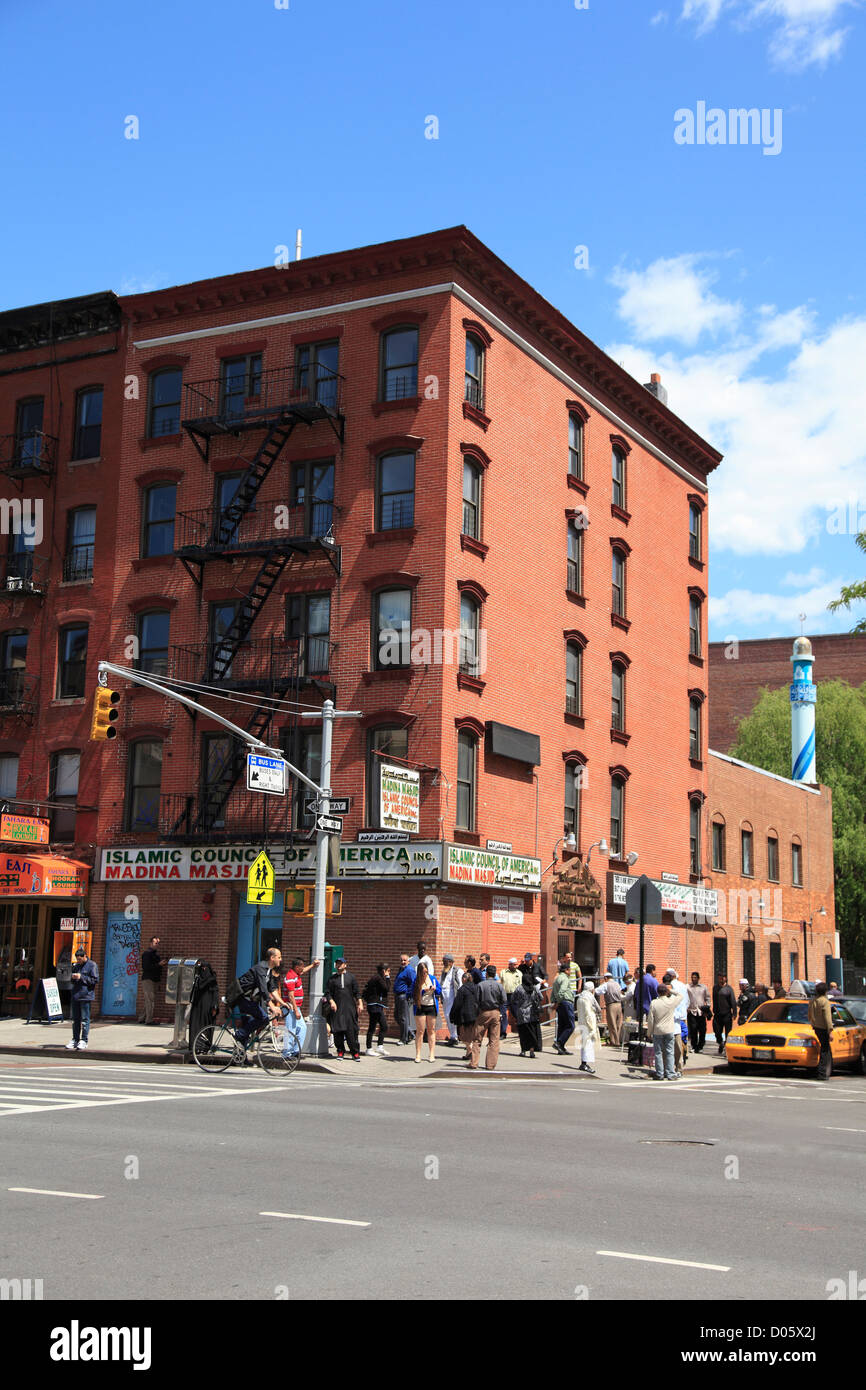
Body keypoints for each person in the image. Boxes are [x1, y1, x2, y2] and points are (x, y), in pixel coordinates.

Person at [235, 948, 285, 1051]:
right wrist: (272, 1007)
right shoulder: (261, 968)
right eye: (279, 957)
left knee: (247, 1026)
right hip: (243, 997)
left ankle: (241, 1057)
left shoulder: (269, 971)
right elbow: (263, 990)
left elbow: (272, 989)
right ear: (272, 958)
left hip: (249, 999)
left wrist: (283, 1003)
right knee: (263, 1018)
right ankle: (239, 1034)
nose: (281, 959)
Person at [326, 958, 363, 1060]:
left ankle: (355, 1052)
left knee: (351, 1031)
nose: (339, 965)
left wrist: (360, 1003)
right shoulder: (332, 979)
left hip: (349, 1009)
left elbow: (357, 992)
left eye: (341, 964)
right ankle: (340, 1051)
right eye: (337, 963)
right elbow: (328, 993)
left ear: (345, 965)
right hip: (337, 1009)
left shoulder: (351, 978)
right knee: (338, 1031)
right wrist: (332, 1001)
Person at [470, 965, 507, 1070]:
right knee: (494, 1040)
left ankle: (474, 1062)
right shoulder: (499, 986)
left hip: (483, 1012)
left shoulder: (481, 985)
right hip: (495, 1012)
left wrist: (476, 1012)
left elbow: (476, 1001)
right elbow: (504, 1000)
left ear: (486, 974)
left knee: (477, 1038)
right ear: (495, 974)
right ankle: (490, 1065)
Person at [65, 947, 99, 1052]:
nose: (78, 961)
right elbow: (71, 980)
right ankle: (75, 1039)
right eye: (77, 959)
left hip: (86, 995)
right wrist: (73, 977)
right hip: (76, 994)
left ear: (85, 956)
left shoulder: (92, 965)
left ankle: (84, 1040)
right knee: (76, 1020)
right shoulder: (76, 966)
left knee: (85, 1019)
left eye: (80, 959)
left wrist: (82, 977)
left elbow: (94, 980)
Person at [646, 983, 679, 1081]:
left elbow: (651, 1019)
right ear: (666, 992)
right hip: (669, 1030)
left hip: (658, 1030)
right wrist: (671, 990)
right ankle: (670, 1073)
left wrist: (649, 1032)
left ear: (658, 992)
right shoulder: (671, 1001)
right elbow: (680, 996)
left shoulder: (654, 1003)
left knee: (658, 1053)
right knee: (670, 1052)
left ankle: (659, 1073)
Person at [413, 962, 442, 1063]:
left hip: (431, 1006)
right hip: (420, 1006)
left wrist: (435, 989)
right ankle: (418, 1054)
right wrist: (423, 991)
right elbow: (413, 993)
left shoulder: (432, 978)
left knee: (431, 1030)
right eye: (423, 972)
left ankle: (432, 1054)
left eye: (426, 972)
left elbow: (439, 990)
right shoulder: (416, 980)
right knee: (420, 1031)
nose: (425, 974)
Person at [449, 970, 481, 1059]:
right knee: (472, 1035)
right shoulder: (477, 988)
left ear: (464, 979)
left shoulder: (462, 989)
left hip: (464, 1016)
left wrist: (452, 1015)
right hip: (475, 1015)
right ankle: (468, 1053)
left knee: (463, 1036)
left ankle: (470, 1050)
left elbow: (457, 1004)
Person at [510, 977, 542, 1057]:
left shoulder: (519, 988)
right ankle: (532, 1051)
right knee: (532, 1033)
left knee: (523, 1033)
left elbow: (513, 999)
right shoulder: (534, 988)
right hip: (532, 1014)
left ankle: (523, 1051)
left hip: (522, 1014)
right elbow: (541, 997)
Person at [362, 964, 391, 1055]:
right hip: (374, 1005)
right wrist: (387, 977)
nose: (388, 972)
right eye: (388, 971)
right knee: (376, 1026)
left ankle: (379, 1046)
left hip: (376, 1005)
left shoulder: (376, 978)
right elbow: (386, 988)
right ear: (384, 970)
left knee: (380, 1026)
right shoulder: (378, 978)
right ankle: (369, 1048)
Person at [664, 970, 689, 1073]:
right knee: (669, 1049)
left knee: (677, 1048)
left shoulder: (676, 998)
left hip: (676, 1025)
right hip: (669, 1026)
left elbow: (682, 1002)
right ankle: (669, 1068)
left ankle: (678, 1068)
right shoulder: (660, 999)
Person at [808, 982, 834, 1080]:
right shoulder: (824, 1001)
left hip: (816, 1027)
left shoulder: (813, 1001)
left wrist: (813, 1023)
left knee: (825, 1049)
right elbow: (828, 1017)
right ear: (825, 991)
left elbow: (809, 1015)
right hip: (823, 1028)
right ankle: (822, 1073)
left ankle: (823, 1070)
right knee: (825, 1050)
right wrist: (830, 1030)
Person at [550, 961, 576, 1055]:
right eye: (570, 970)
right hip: (565, 1002)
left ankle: (561, 1047)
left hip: (560, 1004)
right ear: (566, 970)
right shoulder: (565, 979)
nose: (570, 972)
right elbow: (561, 992)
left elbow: (553, 992)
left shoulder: (557, 978)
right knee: (570, 1025)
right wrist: (558, 1001)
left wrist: (554, 1001)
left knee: (562, 1025)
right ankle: (559, 1043)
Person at [575, 980, 601, 1075]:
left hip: (581, 1022)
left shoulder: (580, 996)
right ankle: (585, 1064)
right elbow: (597, 1007)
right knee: (588, 1044)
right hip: (589, 1023)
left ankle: (583, 1062)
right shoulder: (589, 997)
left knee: (584, 1042)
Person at [439, 955, 464, 1046]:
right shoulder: (444, 971)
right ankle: (453, 1036)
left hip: (453, 998)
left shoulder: (458, 971)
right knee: (446, 1016)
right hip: (445, 999)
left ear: (450, 962)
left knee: (450, 1016)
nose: (443, 963)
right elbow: (440, 983)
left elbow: (461, 985)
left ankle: (454, 1037)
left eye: (445, 962)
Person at [138, 936, 162, 1025]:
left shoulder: (155, 954)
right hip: (148, 979)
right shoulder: (147, 954)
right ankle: (149, 1020)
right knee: (150, 1001)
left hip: (154, 979)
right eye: (156, 943)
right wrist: (158, 964)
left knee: (148, 1000)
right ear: (151, 943)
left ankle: (142, 1018)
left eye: (158, 943)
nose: (157, 945)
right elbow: (146, 967)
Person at [392, 955, 416, 1044]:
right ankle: (410, 1033)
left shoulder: (409, 970)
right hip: (397, 995)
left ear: (408, 961)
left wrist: (408, 994)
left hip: (404, 996)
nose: (403, 962)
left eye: (405, 960)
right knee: (397, 1016)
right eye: (401, 960)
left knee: (403, 1018)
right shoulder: (401, 969)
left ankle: (404, 1039)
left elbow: (414, 983)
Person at [712, 973, 737, 1053]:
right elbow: (714, 999)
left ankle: (726, 1047)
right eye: (719, 978)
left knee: (728, 1032)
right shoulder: (715, 988)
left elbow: (733, 1001)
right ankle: (720, 1042)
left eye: (723, 978)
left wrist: (734, 1013)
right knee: (717, 1031)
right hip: (717, 1014)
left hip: (727, 1014)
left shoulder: (729, 989)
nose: (721, 980)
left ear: (725, 979)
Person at [686, 971, 711, 1053]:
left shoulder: (703, 987)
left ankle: (700, 1046)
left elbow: (708, 998)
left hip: (701, 1012)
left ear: (698, 978)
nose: (693, 979)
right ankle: (694, 1046)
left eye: (695, 978)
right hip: (692, 1011)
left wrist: (707, 1007)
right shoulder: (688, 987)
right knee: (693, 1029)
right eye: (692, 978)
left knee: (702, 1029)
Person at [601, 973, 624, 1047]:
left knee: (612, 1023)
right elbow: (621, 993)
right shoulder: (617, 984)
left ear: (605, 978)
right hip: (619, 1004)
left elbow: (598, 991)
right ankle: (614, 1040)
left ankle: (615, 1041)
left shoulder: (606, 984)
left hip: (611, 1005)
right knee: (618, 1024)